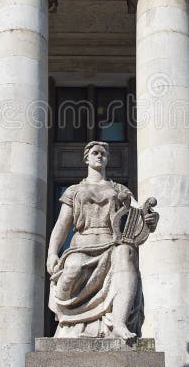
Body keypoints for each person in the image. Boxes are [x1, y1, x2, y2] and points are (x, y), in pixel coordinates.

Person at [46, 140, 158, 339]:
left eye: (104, 154)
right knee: (73, 269)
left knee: (126, 253)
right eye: (96, 153)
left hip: (111, 242)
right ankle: (71, 321)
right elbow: (62, 225)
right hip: (81, 245)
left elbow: (139, 214)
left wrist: (150, 220)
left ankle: (119, 323)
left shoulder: (119, 190)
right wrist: (52, 252)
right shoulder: (74, 190)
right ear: (86, 158)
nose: (100, 156)